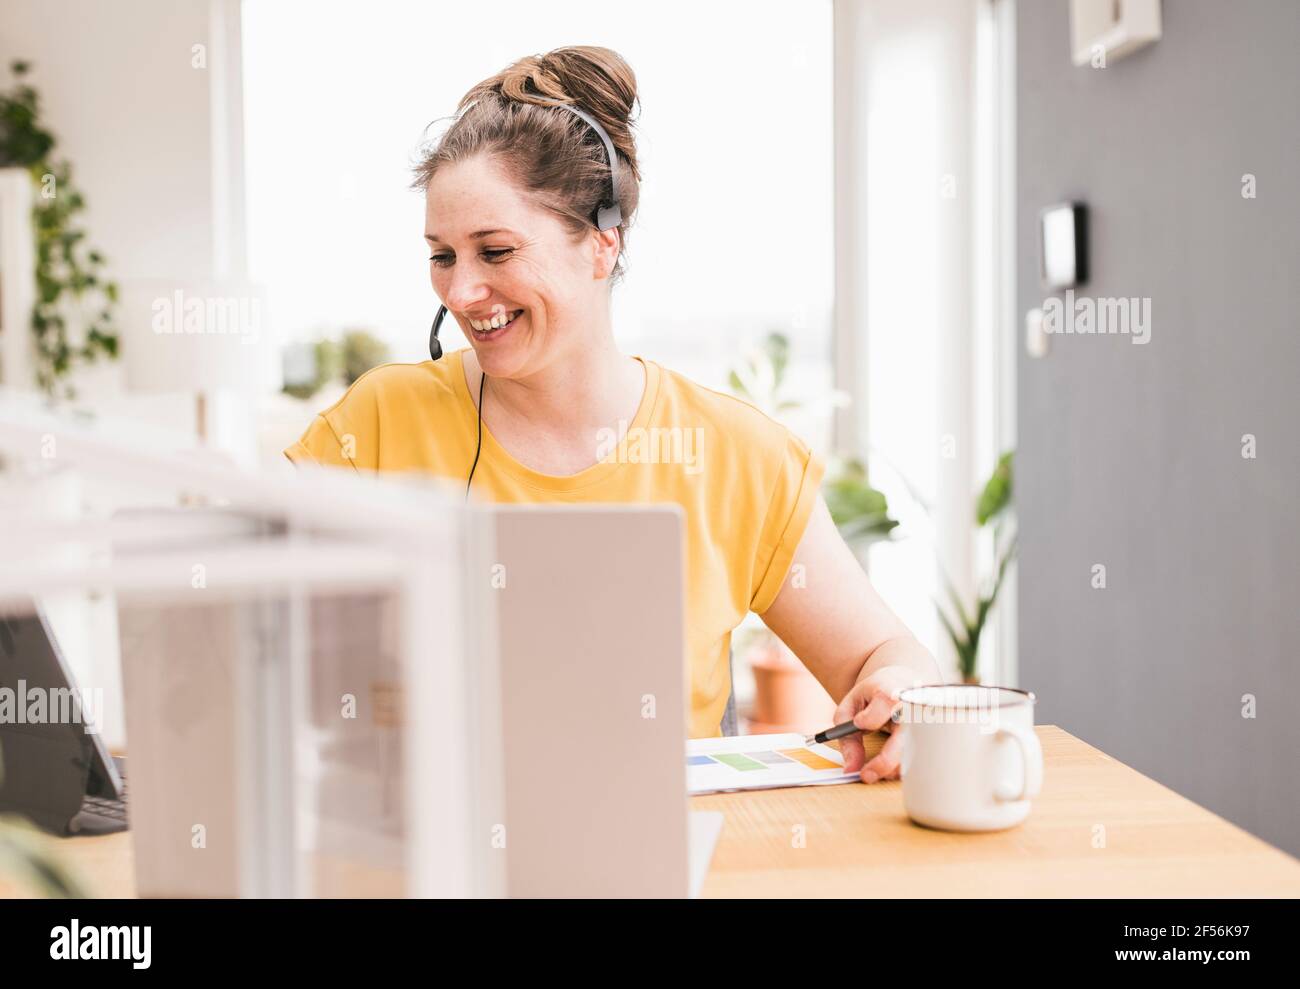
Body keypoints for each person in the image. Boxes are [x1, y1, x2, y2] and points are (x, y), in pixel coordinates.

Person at [285, 46, 940, 782]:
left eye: (494, 251)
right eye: (442, 255)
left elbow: (885, 656)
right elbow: (248, 637)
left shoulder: (732, 453)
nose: (461, 293)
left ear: (601, 244)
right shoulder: (373, 426)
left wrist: (906, 693)